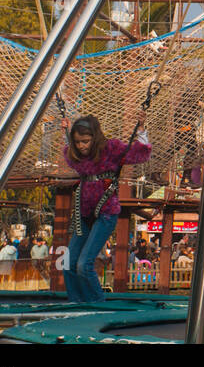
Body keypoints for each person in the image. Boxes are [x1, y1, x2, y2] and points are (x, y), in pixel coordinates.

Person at [60, 114, 151, 305]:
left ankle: (98, 304)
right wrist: (66, 133)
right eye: (78, 142)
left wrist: (141, 130)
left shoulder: (110, 149)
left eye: (85, 141)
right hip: (85, 213)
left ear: (95, 137)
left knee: (84, 264)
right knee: (68, 263)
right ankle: (76, 303)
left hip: (106, 212)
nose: (82, 146)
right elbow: (68, 151)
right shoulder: (77, 155)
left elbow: (140, 154)